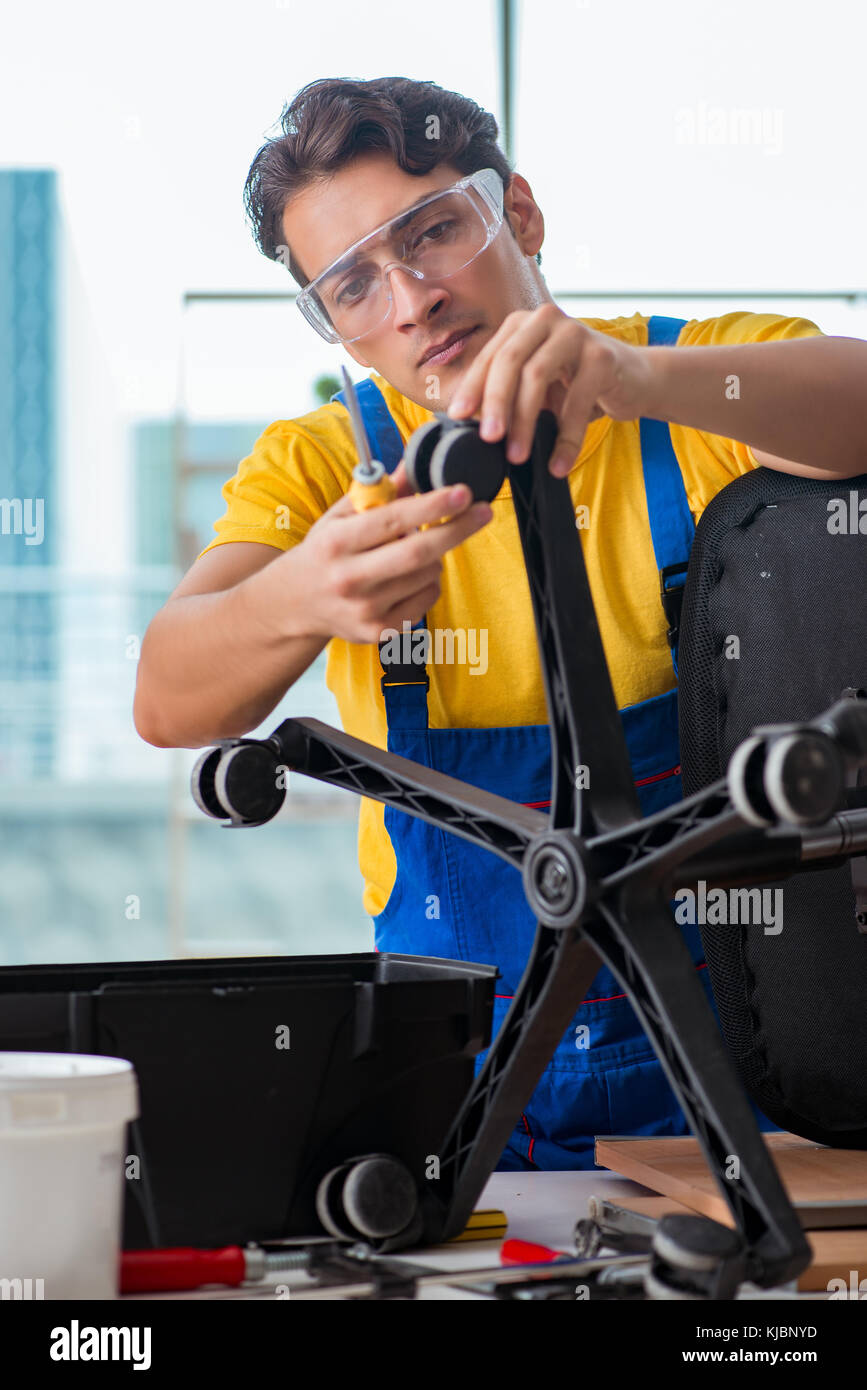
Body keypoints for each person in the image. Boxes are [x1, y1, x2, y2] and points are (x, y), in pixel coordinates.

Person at [133, 75, 867, 1170]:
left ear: (517, 213)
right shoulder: (326, 466)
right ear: (335, 325)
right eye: (353, 286)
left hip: (764, 1102)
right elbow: (167, 694)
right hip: (466, 1116)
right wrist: (300, 596)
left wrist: (638, 379)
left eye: (433, 231)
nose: (412, 299)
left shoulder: (687, 385)